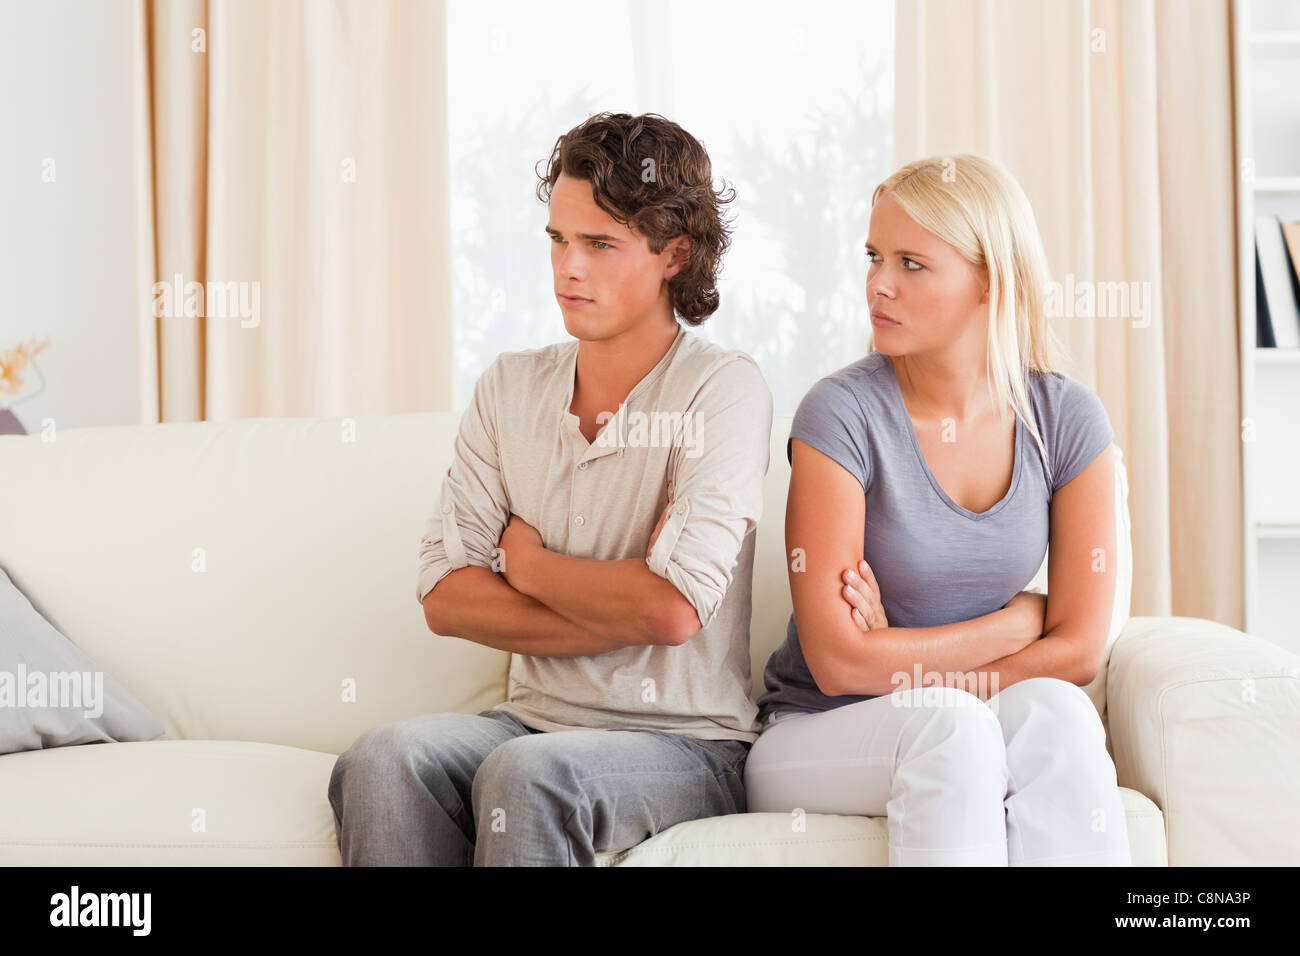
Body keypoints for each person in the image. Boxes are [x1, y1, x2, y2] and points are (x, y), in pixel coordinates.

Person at [328, 112, 773, 866]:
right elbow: (445, 596)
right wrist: (624, 605)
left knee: (529, 775)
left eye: (601, 245)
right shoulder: (509, 388)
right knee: (380, 759)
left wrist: (529, 570)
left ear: (676, 253)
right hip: (532, 722)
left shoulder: (721, 389)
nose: (569, 269)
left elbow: (671, 610)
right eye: (559, 240)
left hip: (686, 744)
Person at [744, 154, 1131, 866]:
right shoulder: (842, 413)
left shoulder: (1066, 418)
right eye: (873, 256)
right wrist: (1012, 624)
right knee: (953, 727)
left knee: (1059, 715)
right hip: (818, 729)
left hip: (962, 722)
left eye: (912, 263)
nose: (877, 284)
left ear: (990, 280)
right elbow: (837, 664)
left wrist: (899, 659)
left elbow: (1076, 651)